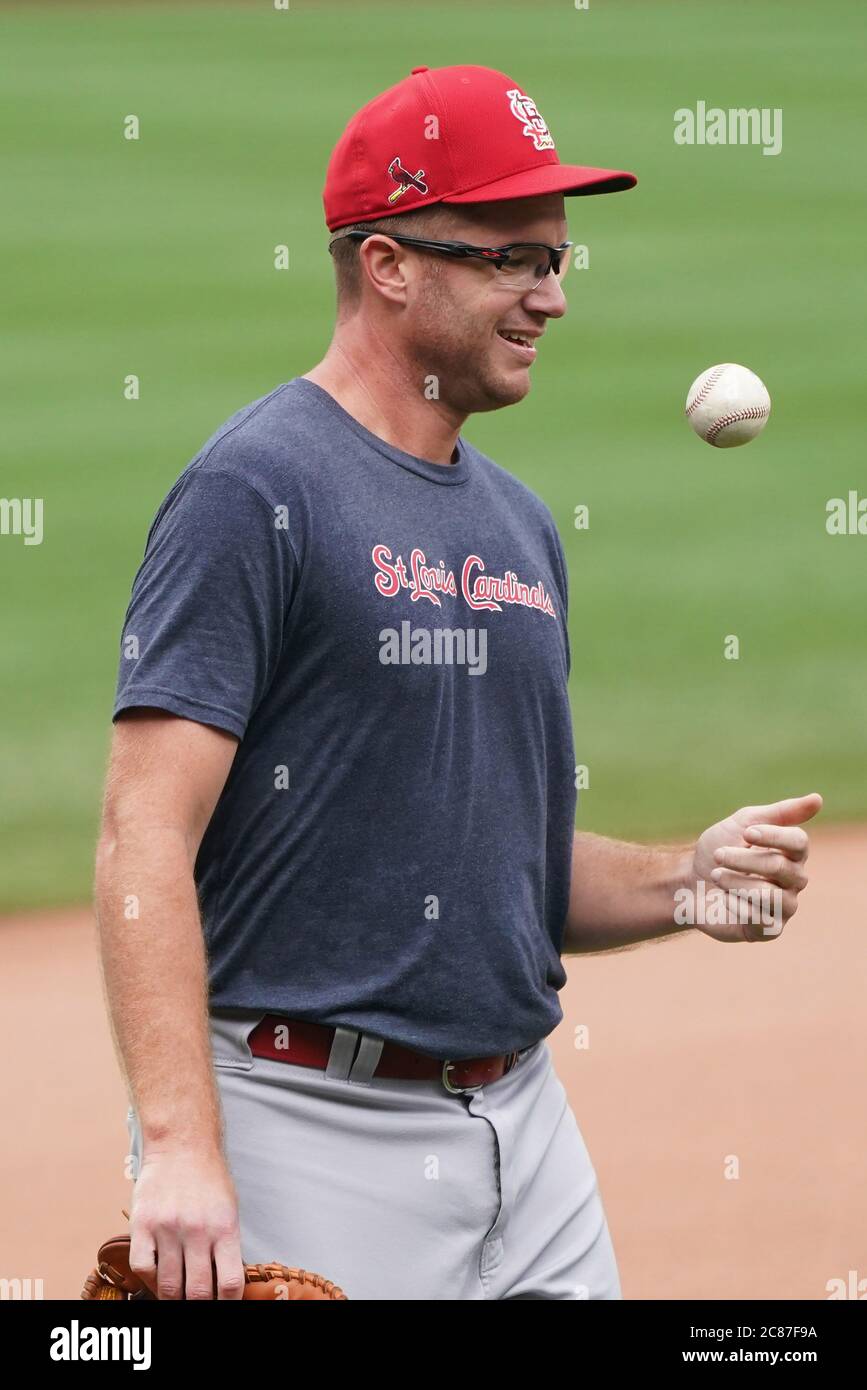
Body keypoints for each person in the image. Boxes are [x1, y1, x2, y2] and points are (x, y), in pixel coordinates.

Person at [95, 64, 820, 1301]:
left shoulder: (519, 525)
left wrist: (683, 881)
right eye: (515, 259)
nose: (553, 296)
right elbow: (142, 829)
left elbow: (501, 858)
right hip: (305, 1129)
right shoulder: (256, 491)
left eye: (556, 259)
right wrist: (178, 1145)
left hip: (525, 1134)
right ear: (388, 265)